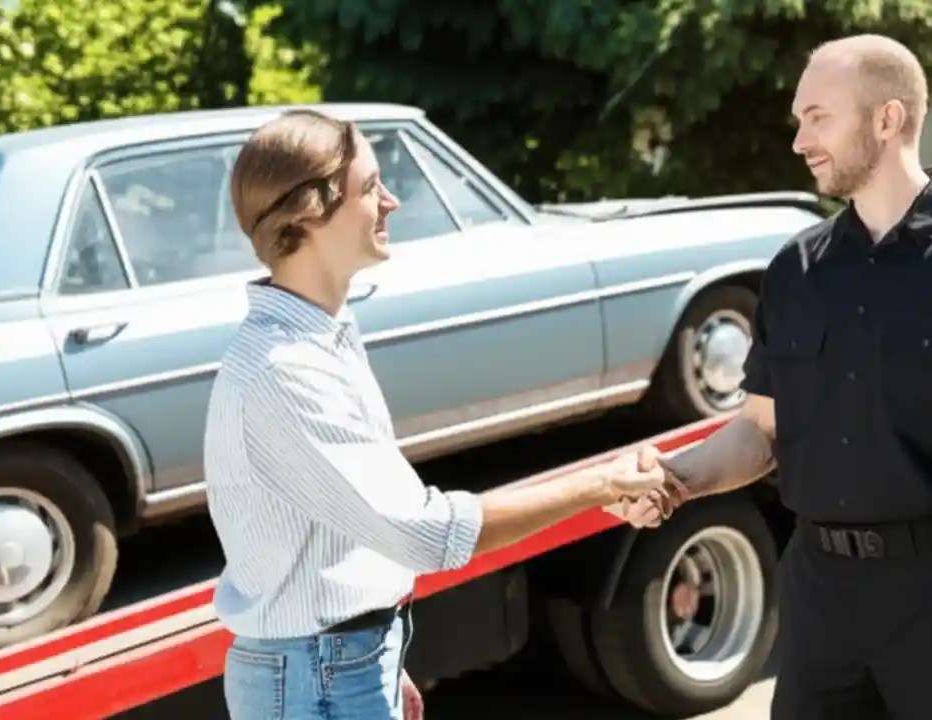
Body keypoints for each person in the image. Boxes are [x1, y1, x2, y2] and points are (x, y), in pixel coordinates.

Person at [618, 34, 932, 720]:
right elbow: (760, 433)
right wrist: (676, 479)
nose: (800, 139)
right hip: (819, 592)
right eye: (799, 119)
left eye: (818, 117)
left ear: (887, 119)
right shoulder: (794, 271)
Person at [204, 108, 669, 720]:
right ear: (311, 212)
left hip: (334, 667)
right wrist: (599, 484)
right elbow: (424, 532)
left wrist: (379, 662)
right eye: (370, 187)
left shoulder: (320, 336)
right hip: (318, 676)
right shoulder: (287, 370)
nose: (390, 201)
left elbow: (339, 534)